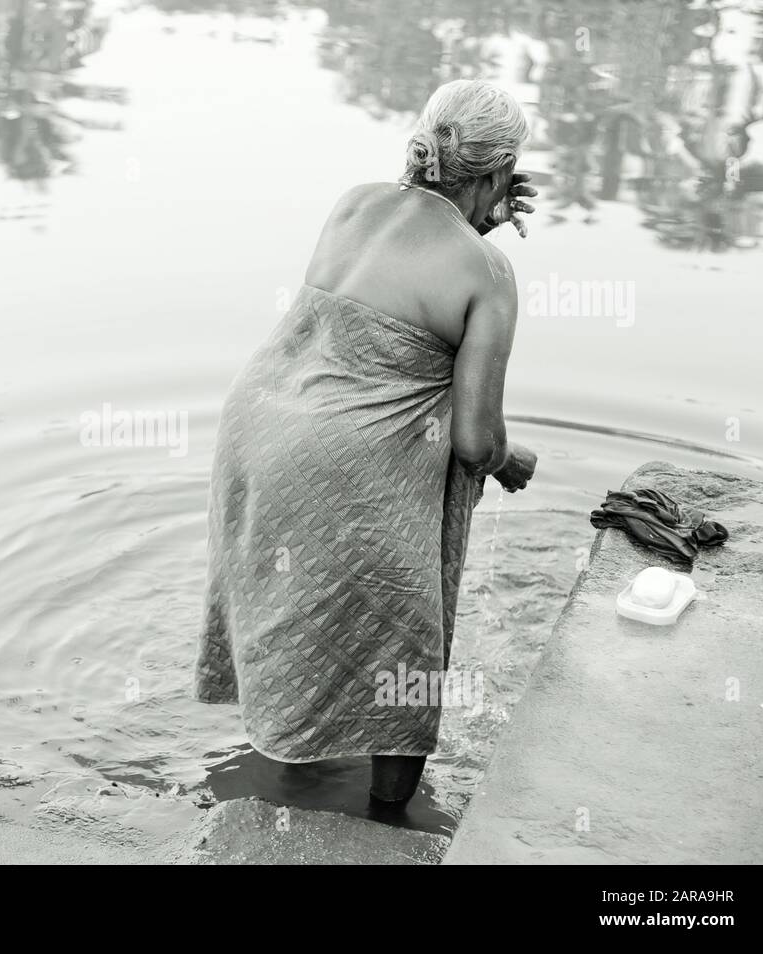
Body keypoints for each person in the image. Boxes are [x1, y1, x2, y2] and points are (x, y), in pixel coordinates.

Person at [195, 79, 539, 806]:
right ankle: (390, 824)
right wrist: (514, 463)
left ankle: (278, 788)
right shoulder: (489, 274)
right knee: (401, 640)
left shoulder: (354, 203)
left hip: (257, 430)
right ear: (501, 170)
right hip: (344, 460)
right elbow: (477, 444)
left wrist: (478, 217)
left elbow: (404, 277)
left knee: (293, 611)